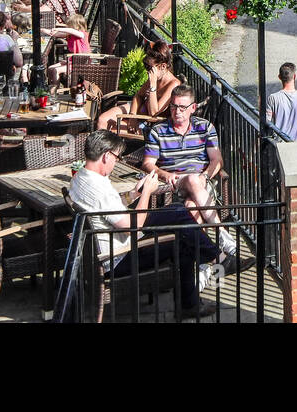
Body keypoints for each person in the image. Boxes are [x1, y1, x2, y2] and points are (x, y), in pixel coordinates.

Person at [68, 130, 242, 319]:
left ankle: (214, 260)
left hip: (109, 246)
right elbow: (131, 228)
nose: (116, 161)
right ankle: (212, 266)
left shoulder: (80, 178)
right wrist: (146, 194)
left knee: (177, 211)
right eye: (116, 157)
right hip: (118, 258)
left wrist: (133, 195)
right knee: (182, 239)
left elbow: (107, 209)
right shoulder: (98, 188)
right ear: (106, 156)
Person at [142, 85, 244, 261]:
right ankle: (222, 235)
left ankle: (203, 263)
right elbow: (148, 163)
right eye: (173, 106)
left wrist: (205, 176)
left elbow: (217, 160)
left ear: (193, 108)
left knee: (191, 208)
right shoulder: (158, 131)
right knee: (192, 180)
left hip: (203, 183)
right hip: (173, 183)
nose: (177, 111)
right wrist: (163, 174)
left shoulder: (205, 127)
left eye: (182, 107)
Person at [98, 40, 176, 132]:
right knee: (102, 120)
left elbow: (154, 113)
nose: (147, 71)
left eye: (149, 67)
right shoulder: (155, 76)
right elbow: (139, 95)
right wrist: (132, 115)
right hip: (139, 109)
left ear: (163, 66)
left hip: (151, 122)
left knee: (113, 129)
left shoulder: (173, 84)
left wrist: (153, 85)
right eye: (146, 66)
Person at [45, 14, 91, 84]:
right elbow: (54, 34)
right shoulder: (70, 35)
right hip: (72, 61)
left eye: (69, 25)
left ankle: (54, 91)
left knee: (55, 70)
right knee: (50, 68)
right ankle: (50, 86)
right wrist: (41, 29)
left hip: (80, 64)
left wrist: (57, 28)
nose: (68, 26)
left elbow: (71, 30)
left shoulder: (82, 34)